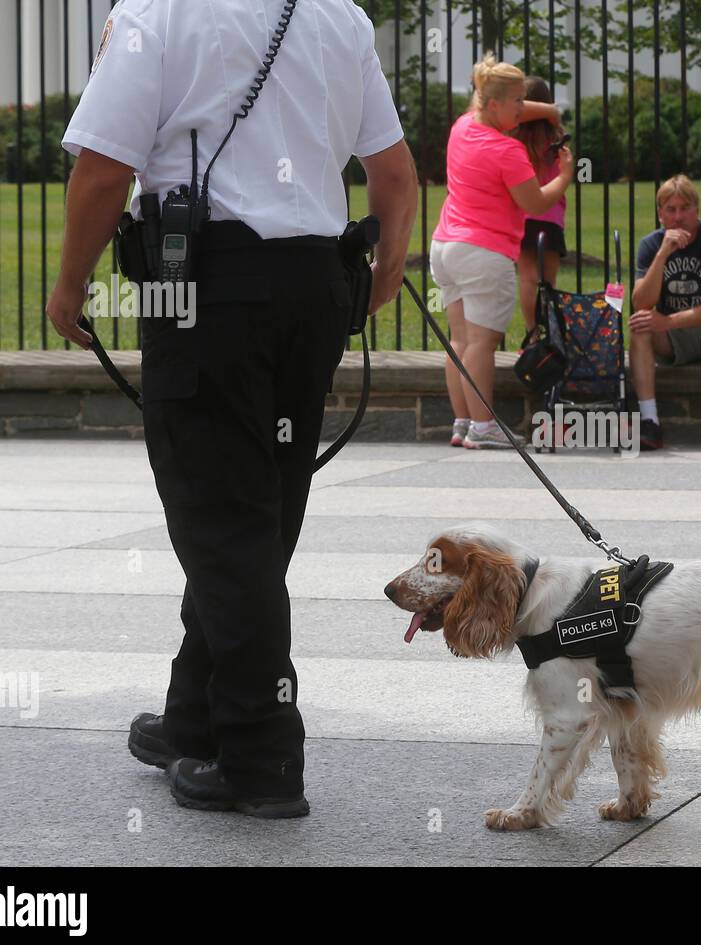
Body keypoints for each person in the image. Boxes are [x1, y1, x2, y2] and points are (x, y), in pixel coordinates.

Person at [46, 0, 417, 817]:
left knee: (225, 518)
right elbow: (393, 173)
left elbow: (105, 169)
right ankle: (198, 717)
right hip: (314, 289)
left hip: (206, 289)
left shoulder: (156, 13)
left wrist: (71, 281)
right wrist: (384, 270)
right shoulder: (338, 15)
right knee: (259, 509)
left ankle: (260, 753)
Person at [431, 55, 573, 449]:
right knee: (480, 343)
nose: (522, 110)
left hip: (445, 247)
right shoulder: (506, 150)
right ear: (494, 104)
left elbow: (517, 105)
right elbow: (536, 203)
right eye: (516, 103)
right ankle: (484, 426)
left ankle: (462, 422)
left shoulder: (463, 126)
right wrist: (564, 176)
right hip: (483, 252)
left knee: (459, 341)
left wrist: (549, 108)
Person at [631, 175, 701, 452]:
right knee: (639, 325)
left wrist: (669, 320)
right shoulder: (650, 245)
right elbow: (640, 302)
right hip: (672, 338)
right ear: (660, 214)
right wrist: (662, 255)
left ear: (697, 210)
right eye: (671, 209)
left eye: (685, 208)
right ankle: (649, 421)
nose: (678, 217)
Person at [512, 76, 568, 337]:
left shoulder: (515, 141)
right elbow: (564, 176)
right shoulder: (557, 140)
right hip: (552, 217)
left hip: (524, 215)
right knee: (549, 281)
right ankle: (552, 333)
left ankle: (533, 333)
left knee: (527, 278)